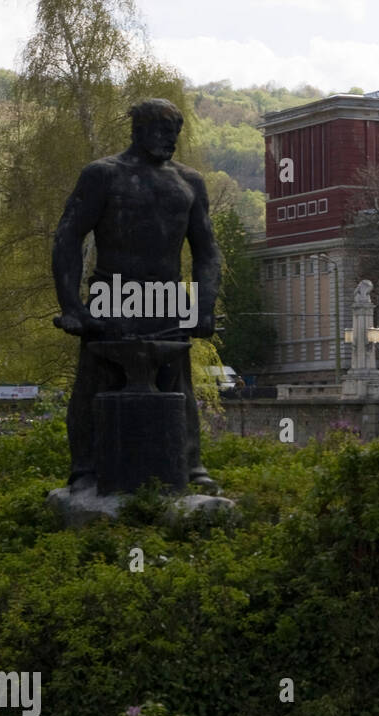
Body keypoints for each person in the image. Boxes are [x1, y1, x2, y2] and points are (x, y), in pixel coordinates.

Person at [52, 98, 221, 493]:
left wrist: (204, 307)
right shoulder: (103, 175)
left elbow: (207, 250)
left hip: (167, 299)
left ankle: (190, 466)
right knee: (95, 382)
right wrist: (72, 306)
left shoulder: (188, 182)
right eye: (161, 131)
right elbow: (68, 237)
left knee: (177, 385)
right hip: (113, 296)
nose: (169, 140)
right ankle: (86, 470)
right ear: (138, 129)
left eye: (174, 133)